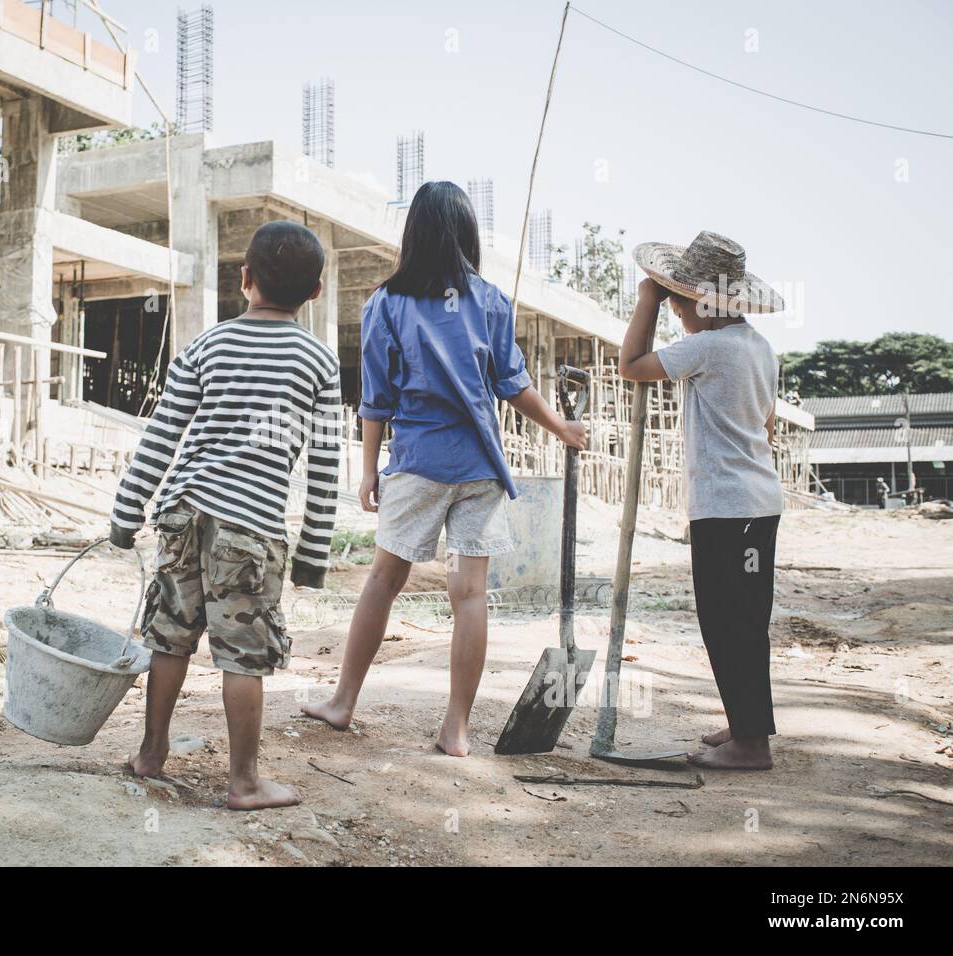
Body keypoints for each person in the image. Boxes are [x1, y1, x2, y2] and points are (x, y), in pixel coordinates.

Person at [301, 181, 586, 756]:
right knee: (469, 595)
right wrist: (562, 428)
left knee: (383, 580)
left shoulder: (386, 304)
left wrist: (367, 471)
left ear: (414, 236)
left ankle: (343, 702)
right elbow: (515, 387)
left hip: (418, 465)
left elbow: (375, 401)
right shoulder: (491, 302)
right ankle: (455, 730)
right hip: (480, 468)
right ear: (467, 236)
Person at [110, 220, 342, 809]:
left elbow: (162, 434)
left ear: (244, 280)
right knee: (244, 656)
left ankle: (150, 753)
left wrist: (126, 507)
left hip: (184, 515)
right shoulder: (319, 363)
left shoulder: (208, 345)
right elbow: (324, 465)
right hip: (251, 526)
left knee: (170, 637)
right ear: (316, 292)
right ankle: (243, 782)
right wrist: (313, 553)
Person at [619, 230, 785, 770]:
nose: (676, 313)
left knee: (724, 620)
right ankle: (746, 725)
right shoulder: (758, 347)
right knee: (746, 619)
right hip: (758, 503)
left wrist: (644, 300)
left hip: (726, 509)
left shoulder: (709, 346)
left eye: (679, 303)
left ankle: (751, 746)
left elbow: (632, 364)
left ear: (708, 305)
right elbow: (768, 422)